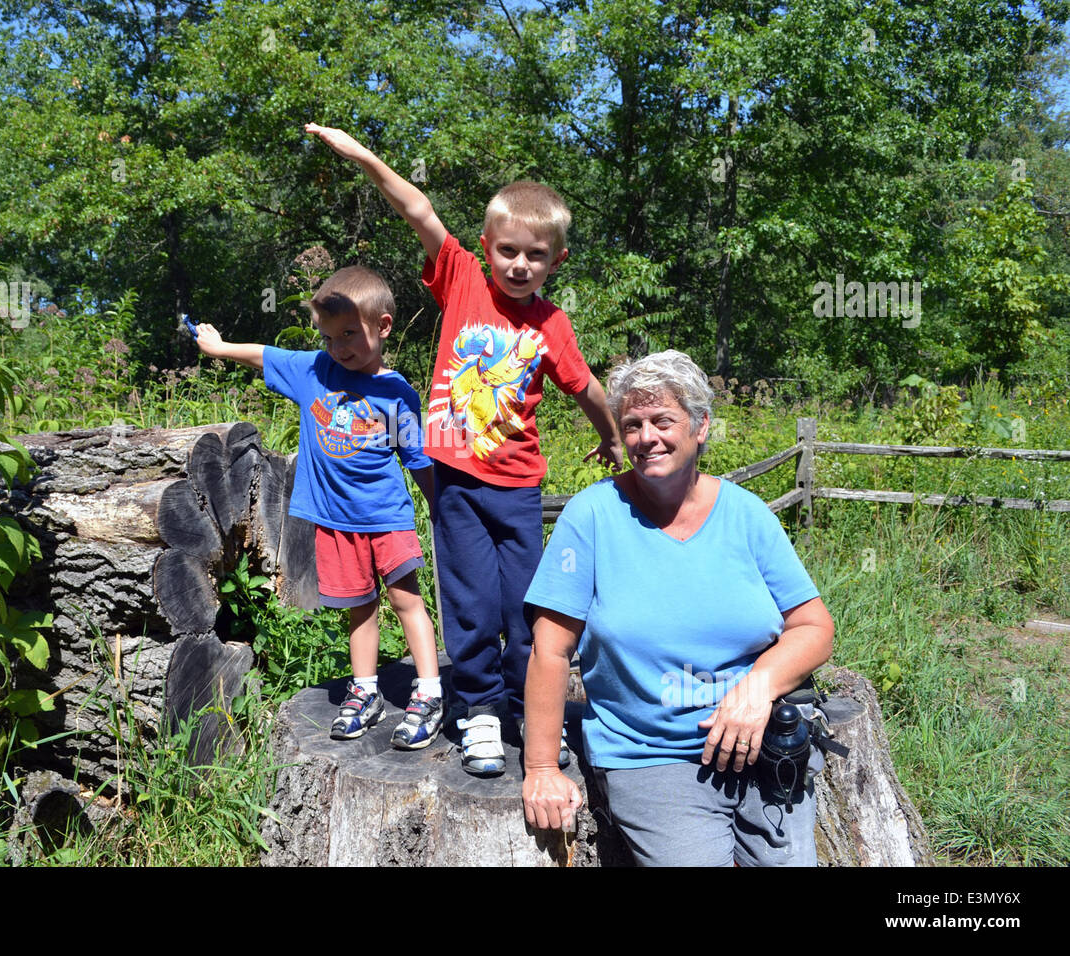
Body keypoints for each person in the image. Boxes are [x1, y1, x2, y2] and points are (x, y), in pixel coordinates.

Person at [306, 122, 624, 776]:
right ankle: (477, 711)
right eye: (507, 250)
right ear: (487, 246)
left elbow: (587, 385)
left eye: (536, 256)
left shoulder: (551, 324)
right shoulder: (462, 278)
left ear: (556, 261)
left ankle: (528, 708)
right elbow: (418, 209)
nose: (519, 265)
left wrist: (612, 434)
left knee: (527, 610)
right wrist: (364, 154)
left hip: (517, 491)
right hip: (454, 484)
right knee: (471, 607)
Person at [520, 349, 834, 865]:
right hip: (650, 754)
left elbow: (813, 626)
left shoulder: (746, 516)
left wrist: (757, 689)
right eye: (633, 424)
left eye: (663, 420)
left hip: (760, 740)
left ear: (701, 426)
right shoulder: (593, 517)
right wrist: (540, 769)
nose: (647, 437)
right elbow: (550, 651)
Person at [193, 266, 445, 750]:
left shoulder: (397, 394)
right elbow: (265, 354)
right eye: (330, 337)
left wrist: (439, 509)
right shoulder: (315, 372)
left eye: (349, 334)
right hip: (334, 522)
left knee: (406, 600)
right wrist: (220, 348)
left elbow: (417, 459)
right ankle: (365, 691)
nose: (339, 347)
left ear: (384, 326)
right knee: (359, 609)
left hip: (385, 518)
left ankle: (430, 692)